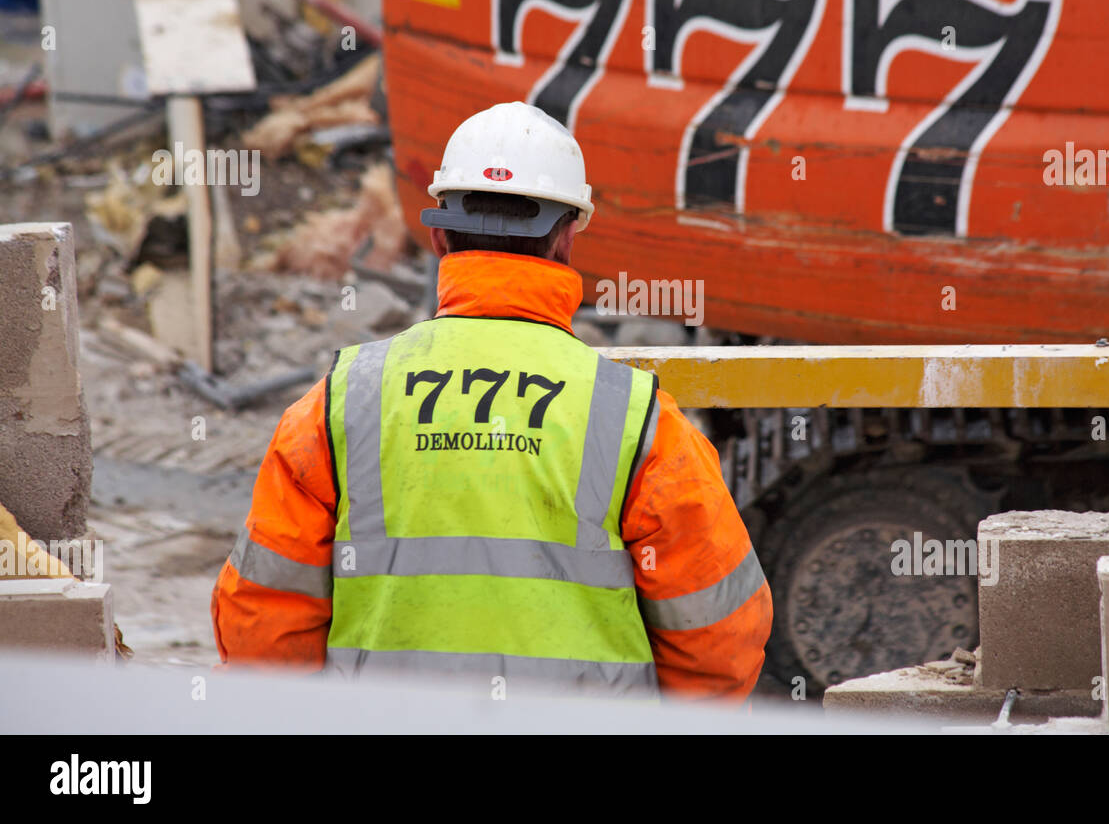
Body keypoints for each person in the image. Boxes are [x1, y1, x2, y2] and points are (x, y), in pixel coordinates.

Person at [211, 101, 772, 701]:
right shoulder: (635, 420)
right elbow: (719, 637)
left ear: (436, 235)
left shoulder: (339, 405)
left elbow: (262, 630)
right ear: (567, 238)